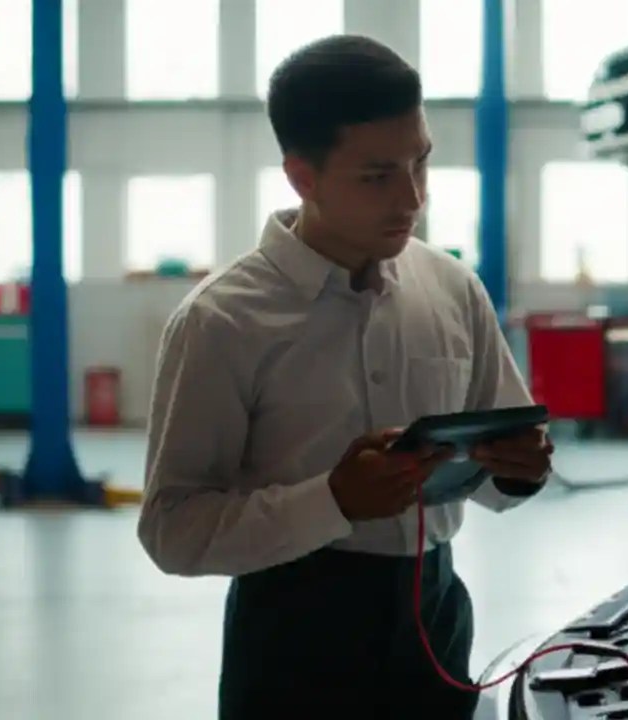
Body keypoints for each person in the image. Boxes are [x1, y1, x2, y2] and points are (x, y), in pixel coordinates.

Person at [138, 35, 554, 719]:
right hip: (295, 635)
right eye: (377, 175)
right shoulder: (223, 322)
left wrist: (519, 470)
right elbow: (173, 529)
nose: (412, 197)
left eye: (422, 162)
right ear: (302, 175)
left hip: (436, 617)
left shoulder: (450, 287)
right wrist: (331, 500)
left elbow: (503, 455)